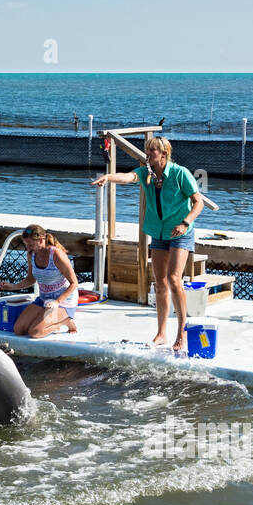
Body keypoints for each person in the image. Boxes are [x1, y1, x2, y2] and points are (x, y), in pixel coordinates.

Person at [91, 135, 204, 352]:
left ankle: (181, 332)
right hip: (159, 231)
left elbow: (198, 202)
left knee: (173, 278)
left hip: (180, 231)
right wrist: (109, 177)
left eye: (152, 152)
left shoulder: (180, 173)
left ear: (164, 154)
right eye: (147, 150)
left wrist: (185, 222)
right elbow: (128, 177)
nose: (148, 155)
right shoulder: (147, 173)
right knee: (159, 282)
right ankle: (161, 333)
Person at [0, 224, 79, 338]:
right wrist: (12, 286)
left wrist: (57, 302)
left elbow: (74, 283)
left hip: (63, 301)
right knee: (19, 329)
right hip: (44, 298)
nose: (28, 248)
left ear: (41, 240)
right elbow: (30, 279)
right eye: (26, 245)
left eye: (31, 244)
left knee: (35, 332)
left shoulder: (56, 254)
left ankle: (65, 321)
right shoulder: (31, 254)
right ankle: (50, 318)